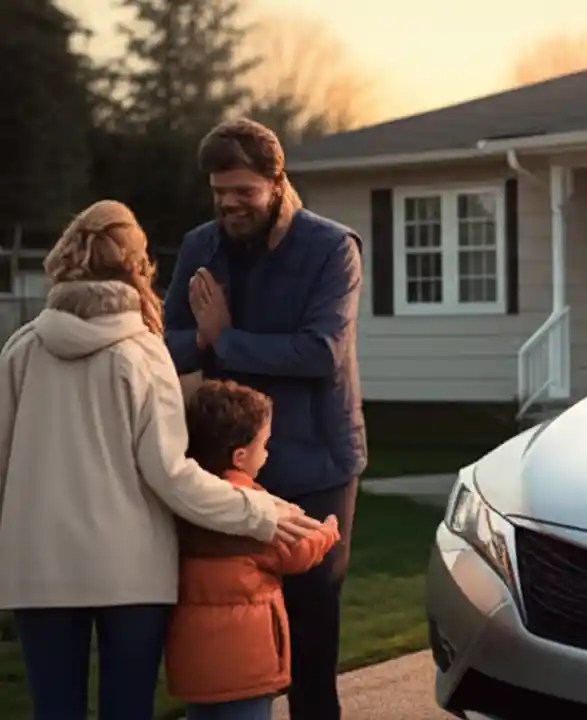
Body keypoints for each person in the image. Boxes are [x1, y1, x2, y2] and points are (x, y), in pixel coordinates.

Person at [0, 200, 325, 720]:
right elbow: (172, 476)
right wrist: (262, 514)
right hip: (131, 573)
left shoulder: (20, 350)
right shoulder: (144, 354)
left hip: (37, 569)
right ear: (137, 266)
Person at [163, 117, 367, 719]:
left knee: (310, 631)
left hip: (316, 463)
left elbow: (320, 352)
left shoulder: (332, 248)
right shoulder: (201, 245)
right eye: (220, 191)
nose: (230, 203)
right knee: (226, 627)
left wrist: (222, 339)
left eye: (244, 191)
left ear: (277, 183)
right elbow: (167, 342)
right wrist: (203, 340)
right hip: (225, 470)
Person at [166, 379, 341, 720]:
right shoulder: (251, 509)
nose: (268, 453)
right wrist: (328, 533)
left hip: (194, 664)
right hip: (247, 666)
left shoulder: (186, 504)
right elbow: (297, 551)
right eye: (264, 445)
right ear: (241, 455)